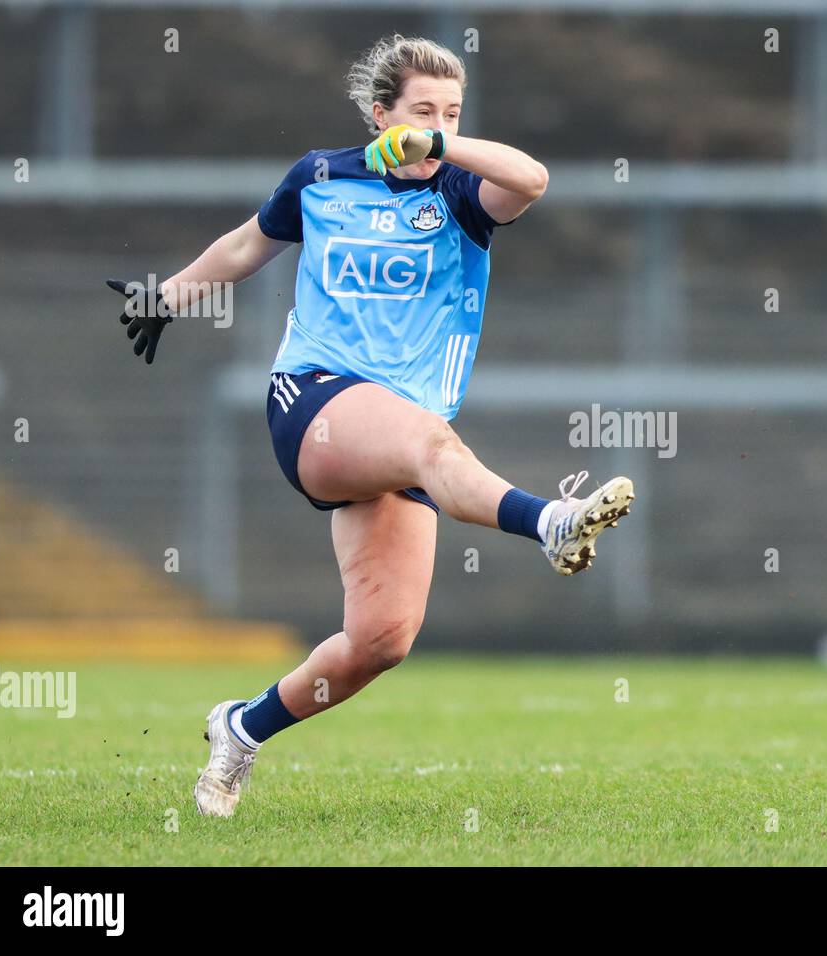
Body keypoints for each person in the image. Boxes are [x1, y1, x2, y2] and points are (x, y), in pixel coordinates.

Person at [106, 34, 634, 817]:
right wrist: (166, 296)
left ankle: (241, 729)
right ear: (380, 114)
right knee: (431, 444)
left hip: (397, 433)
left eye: (451, 113)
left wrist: (444, 144)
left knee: (381, 641)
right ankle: (550, 521)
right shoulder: (320, 176)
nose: (434, 127)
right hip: (314, 404)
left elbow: (533, 178)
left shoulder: (460, 192)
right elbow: (248, 244)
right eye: (421, 111)